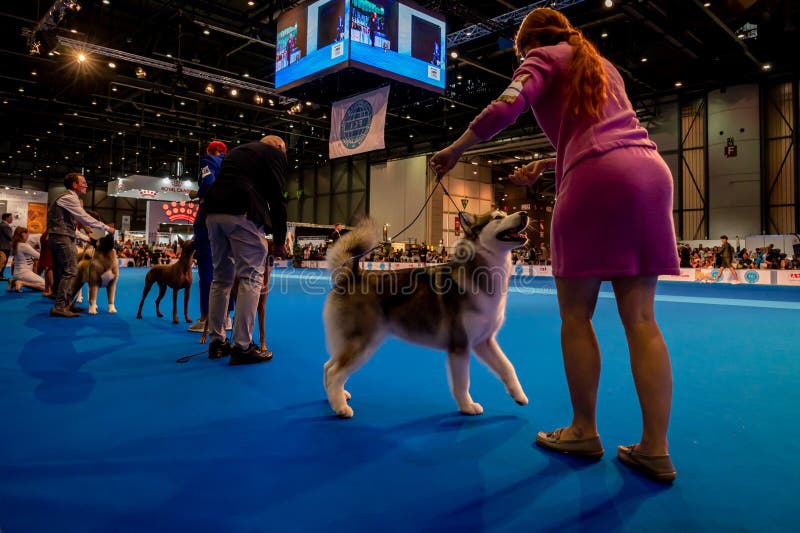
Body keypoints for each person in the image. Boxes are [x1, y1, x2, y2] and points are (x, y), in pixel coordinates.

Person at [430, 7, 679, 483]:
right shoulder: (603, 66)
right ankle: (655, 448)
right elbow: (599, 131)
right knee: (643, 321)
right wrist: (550, 164)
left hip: (596, 180)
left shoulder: (539, 58)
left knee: (577, 317)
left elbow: (505, 107)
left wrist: (456, 149)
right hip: (651, 172)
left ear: (527, 45)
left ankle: (584, 429)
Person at [202, 135, 288, 364]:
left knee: (220, 279)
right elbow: (278, 198)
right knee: (251, 279)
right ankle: (242, 346)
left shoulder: (237, 152)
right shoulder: (275, 153)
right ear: (279, 147)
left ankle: (217, 343)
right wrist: (279, 240)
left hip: (212, 213)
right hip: (241, 212)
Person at [47, 173, 115, 317]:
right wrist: (106, 228)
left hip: (63, 236)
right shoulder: (69, 198)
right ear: (74, 185)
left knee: (68, 271)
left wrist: (87, 238)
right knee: (71, 271)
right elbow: (84, 218)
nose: (86, 185)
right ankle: (60, 306)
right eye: (83, 182)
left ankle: (67, 304)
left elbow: (70, 227)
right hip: (62, 238)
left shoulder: (69, 198)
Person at [188, 140, 231, 333]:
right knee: (227, 268)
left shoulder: (208, 161)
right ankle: (227, 317)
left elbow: (209, 182)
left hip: (208, 216)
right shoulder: (231, 164)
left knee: (207, 267)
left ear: (210, 151)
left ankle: (206, 317)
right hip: (231, 217)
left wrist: (199, 194)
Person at [9, 226, 45, 292]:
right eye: (28, 234)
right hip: (24, 273)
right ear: (23, 234)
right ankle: (22, 283)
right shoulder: (24, 245)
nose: (28, 236)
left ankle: (15, 282)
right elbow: (39, 256)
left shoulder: (15, 244)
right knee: (45, 285)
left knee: (37, 284)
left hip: (17, 273)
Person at [0, 213, 12, 281]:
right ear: (6, 218)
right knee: (3, 262)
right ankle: (0, 276)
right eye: (10, 217)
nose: (12, 219)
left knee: (1, 262)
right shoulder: (5, 226)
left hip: (2, 246)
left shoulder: (1, 224)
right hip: (4, 247)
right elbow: (10, 237)